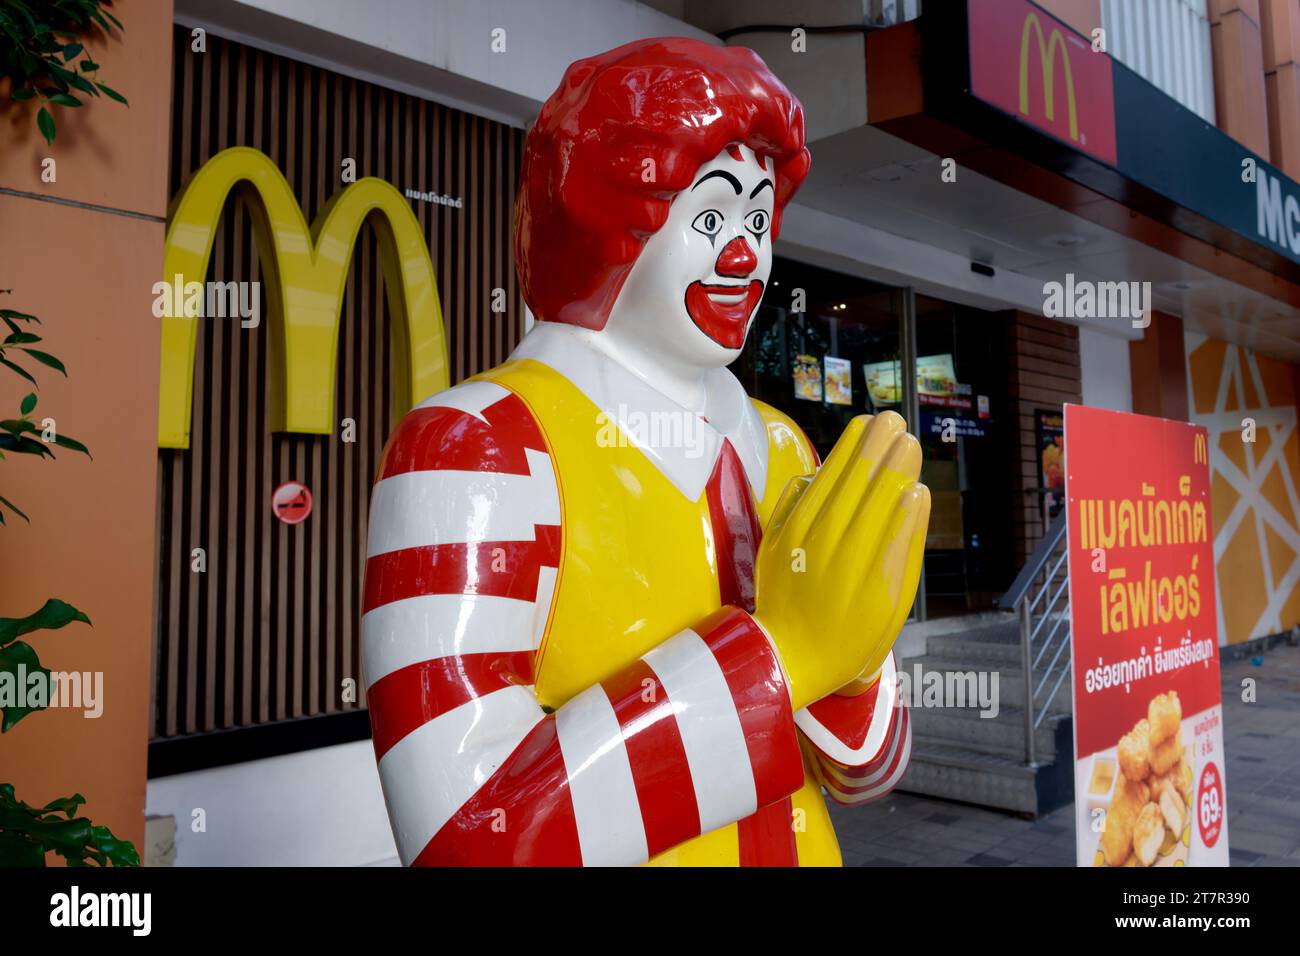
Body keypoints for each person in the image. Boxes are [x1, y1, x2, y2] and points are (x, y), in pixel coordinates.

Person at [362, 36, 930, 866]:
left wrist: (856, 659)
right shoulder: (472, 447)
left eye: (759, 219)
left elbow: (868, 773)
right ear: (608, 222)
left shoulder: (783, 445)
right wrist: (785, 658)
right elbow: (464, 837)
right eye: (711, 217)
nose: (747, 257)